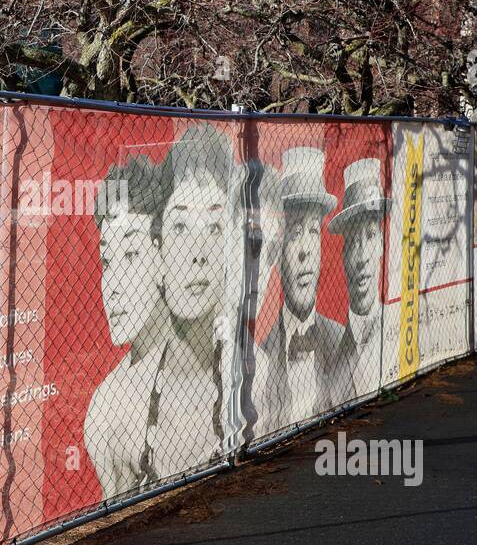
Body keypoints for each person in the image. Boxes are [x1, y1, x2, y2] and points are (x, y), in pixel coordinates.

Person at [149, 123, 240, 481]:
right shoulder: (125, 399)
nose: (197, 254)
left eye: (214, 228)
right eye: (181, 226)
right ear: (159, 247)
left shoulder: (255, 372)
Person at [83, 155, 172, 499]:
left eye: (131, 254)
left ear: (164, 254)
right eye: (107, 260)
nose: (114, 283)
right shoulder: (104, 408)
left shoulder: (208, 361)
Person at [252, 146, 342, 437]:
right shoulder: (260, 356)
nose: (305, 252)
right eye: (293, 233)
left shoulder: (341, 340)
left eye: (313, 231)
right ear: (277, 252)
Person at [326, 157, 390, 406]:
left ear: (382, 244)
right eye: (353, 242)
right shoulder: (334, 349)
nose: (362, 257)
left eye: (371, 235)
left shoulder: (394, 325)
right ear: (342, 255)